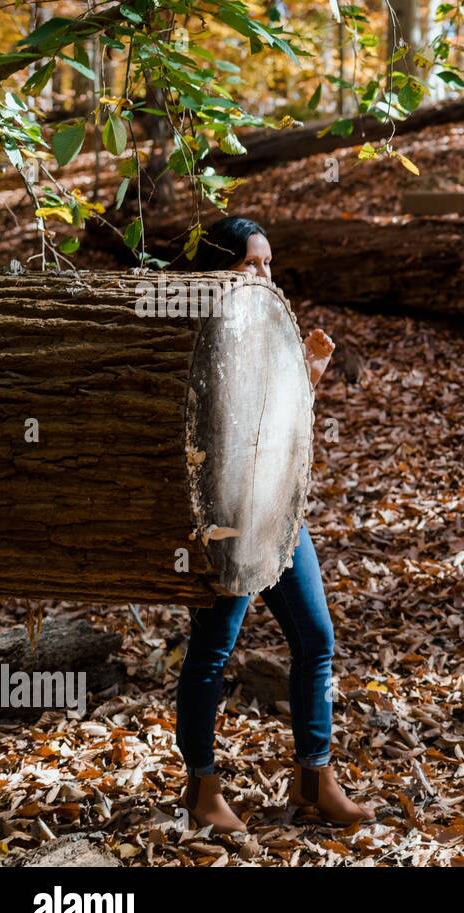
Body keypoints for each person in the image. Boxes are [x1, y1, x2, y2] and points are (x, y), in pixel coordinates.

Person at [176, 216, 374, 832]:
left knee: (316, 636)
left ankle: (315, 776)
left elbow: (281, 426)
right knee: (212, 652)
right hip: (226, 521)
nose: (265, 275)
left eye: (268, 263)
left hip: (277, 509)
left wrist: (308, 374)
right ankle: (203, 788)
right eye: (250, 264)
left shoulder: (266, 326)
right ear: (219, 270)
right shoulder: (200, 332)